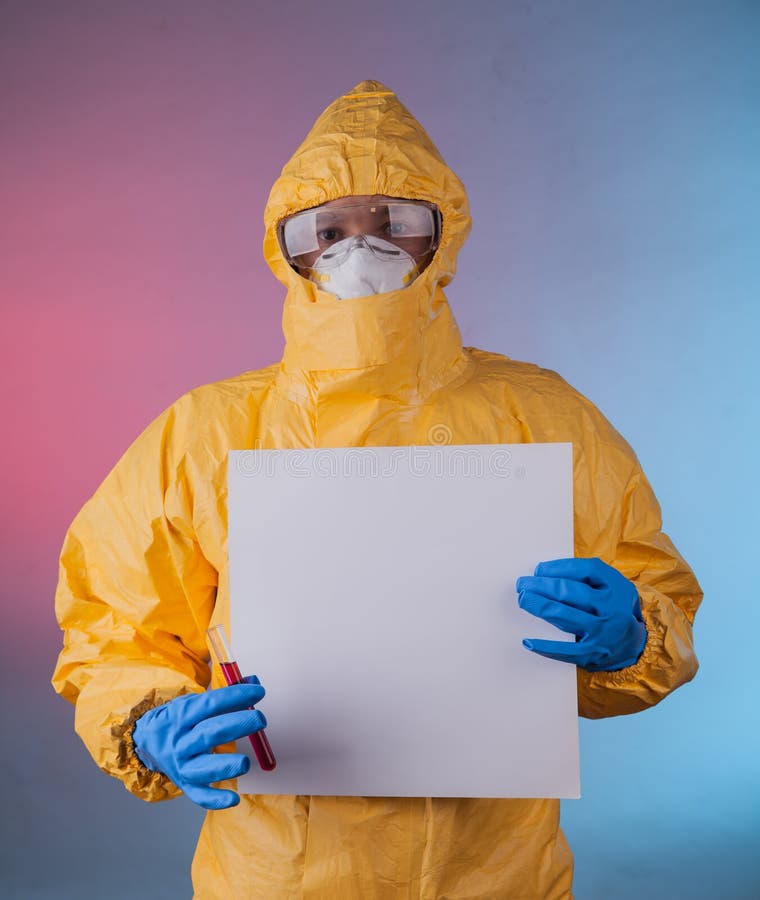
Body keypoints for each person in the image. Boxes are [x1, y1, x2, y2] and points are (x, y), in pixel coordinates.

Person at [52, 80, 702, 899]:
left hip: (499, 873)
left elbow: (659, 598)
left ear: (445, 237)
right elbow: (113, 625)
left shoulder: (543, 415)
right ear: (285, 249)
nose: (361, 250)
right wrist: (149, 723)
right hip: (278, 875)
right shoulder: (205, 432)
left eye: (396, 223)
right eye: (327, 230)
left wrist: (633, 634)